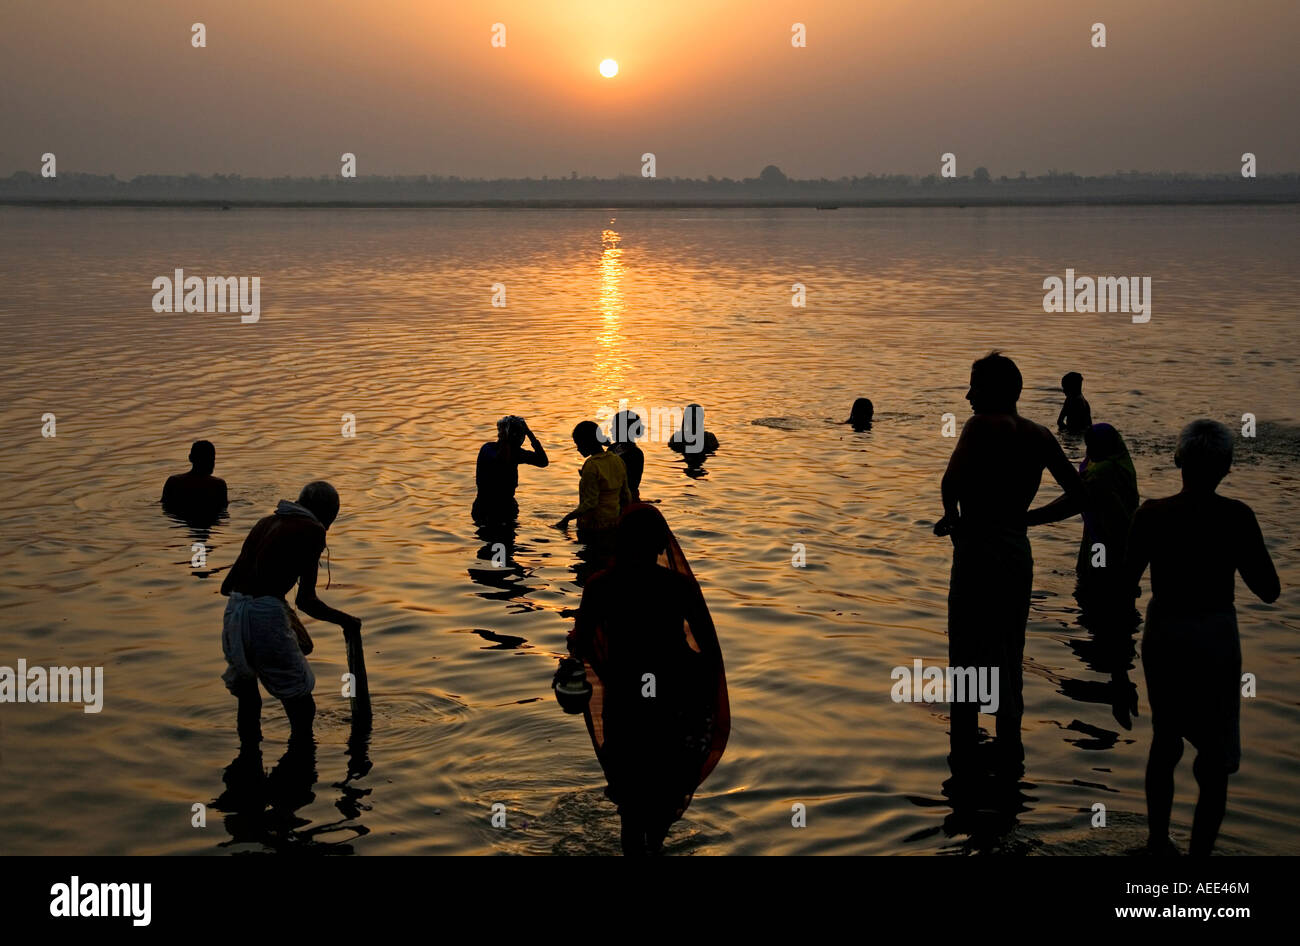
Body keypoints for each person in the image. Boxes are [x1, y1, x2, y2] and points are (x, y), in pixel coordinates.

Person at [1127, 420, 1279, 856]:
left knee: (1166, 738)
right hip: (1214, 632)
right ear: (1227, 467)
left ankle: (1158, 843)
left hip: (1166, 629)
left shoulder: (1151, 514)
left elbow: (1123, 585)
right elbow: (1268, 590)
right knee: (1213, 755)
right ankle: (1200, 857)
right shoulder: (1237, 516)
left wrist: (1117, 669)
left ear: (1178, 461)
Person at [935, 352, 1088, 764]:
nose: (968, 395)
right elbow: (1080, 497)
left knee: (967, 656)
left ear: (996, 391)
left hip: (977, 553)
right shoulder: (1039, 435)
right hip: (1016, 553)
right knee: (1009, 653)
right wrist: (1027, 519)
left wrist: (953, 518)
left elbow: (950, 482)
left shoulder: (980, 425)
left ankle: (965, 761)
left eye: (975, 386)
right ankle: (1009, 758)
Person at [566, 503, 730, 855]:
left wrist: (585, 664)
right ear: (661, 545)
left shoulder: (601, 586)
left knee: (631, 810)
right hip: (672, 706)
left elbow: (582, 644)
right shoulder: (679, 587)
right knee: (658, 805)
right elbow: (709, 652)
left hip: (625, 706)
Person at [219, 481, 362, 745]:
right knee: (302, 706)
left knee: (249, 698)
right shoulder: (312, 529)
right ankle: (301, 767)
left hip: (234, 614)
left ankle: (248, 759)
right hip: (264, 616)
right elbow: (306, 601)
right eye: (331, 519)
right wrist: (347, 621)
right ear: (325, 513)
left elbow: (227, 587)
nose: (328, 527)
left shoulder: (264, 523)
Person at [1028, 422, 1140, 609]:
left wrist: (1029, 519)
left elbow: (1072, 503)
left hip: (1103, 543)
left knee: (1098, 585)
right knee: (1111, 590)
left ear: (1107, 446)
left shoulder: (1103, 472)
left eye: (1094, 445)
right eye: (1088, 445)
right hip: (1116, 540)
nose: (1089, 450)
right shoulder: (1121, 464)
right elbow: (1075, 493)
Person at [555, 421, 630, 533]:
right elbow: (626, 496)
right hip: (614, 524)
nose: (577, 449)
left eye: (578, 444)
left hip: (593, 526)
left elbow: (590, 504)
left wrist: (566, 519)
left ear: (586, 442)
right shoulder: (617, 460)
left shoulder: (591, 465)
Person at [472, 415, 549, 523]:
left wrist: (529, 433)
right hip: (485, 508)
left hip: (507, 507)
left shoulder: (516, 453)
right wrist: (506, 438)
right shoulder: (488, 449)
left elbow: (543, 462)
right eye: (521, 435)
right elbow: (501, 460)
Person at [161, 440, 228, 521]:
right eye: (211, 459)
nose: (212, 463)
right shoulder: (218, 484)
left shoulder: (174, 481)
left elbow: (165, 509)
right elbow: (223, 511)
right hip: (209, 519)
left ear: (190, 458)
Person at [609, 409, 645, 502]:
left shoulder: (636, 454)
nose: (611, 429)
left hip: (625, 499)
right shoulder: (613, 448)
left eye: (614, 426)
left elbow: (632, 484)